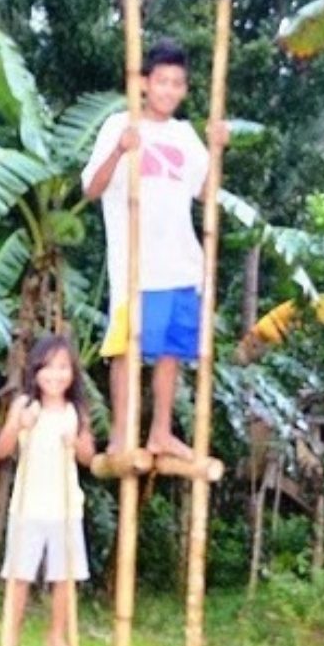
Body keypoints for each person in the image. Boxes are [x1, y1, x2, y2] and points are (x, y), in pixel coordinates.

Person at [82, 39, 228, 460]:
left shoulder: (184, 136)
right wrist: (120, 150)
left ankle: (161, 432)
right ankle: (123, 435)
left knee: (171, 351)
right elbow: (91, 188)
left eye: (176, 83)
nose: (167, 90)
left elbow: (207, 192)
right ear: (145, 83)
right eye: (160, 81)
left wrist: (217, 149)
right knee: (127, 348)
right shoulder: (119, 125)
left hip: (180, 261)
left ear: (184, 89)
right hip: (134, 264)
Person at [0, 334, 96, 646]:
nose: (55, 375)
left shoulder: (77, 411)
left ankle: (56, 642)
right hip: (28, 506)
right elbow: (1, 451)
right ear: (36, 371)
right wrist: (18, 425)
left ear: (73, 373)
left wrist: (75, 443)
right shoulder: (23, 406)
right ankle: (8, 644)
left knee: (64, 578)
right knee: (19, 577)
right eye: (48, 367)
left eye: (63, 367)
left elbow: (89, 457)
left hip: (65, 509)